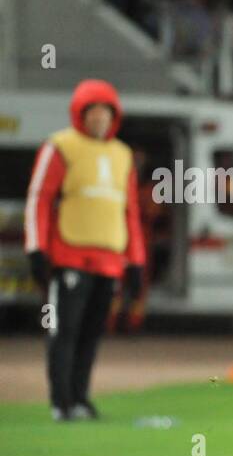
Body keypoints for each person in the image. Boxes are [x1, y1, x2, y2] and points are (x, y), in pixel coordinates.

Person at [24, 79, 145, 421]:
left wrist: (136, 262)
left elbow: (130, 212)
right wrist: (37, 249)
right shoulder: (60, 147)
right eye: (93, 113)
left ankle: (80, 397)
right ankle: (60, 402)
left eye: (106, 113)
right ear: (80, 115)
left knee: (92, 333)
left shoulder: (122, 155)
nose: (100, 120)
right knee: (65, 330)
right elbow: (40, 199)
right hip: (71, 257)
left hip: (109, 262)